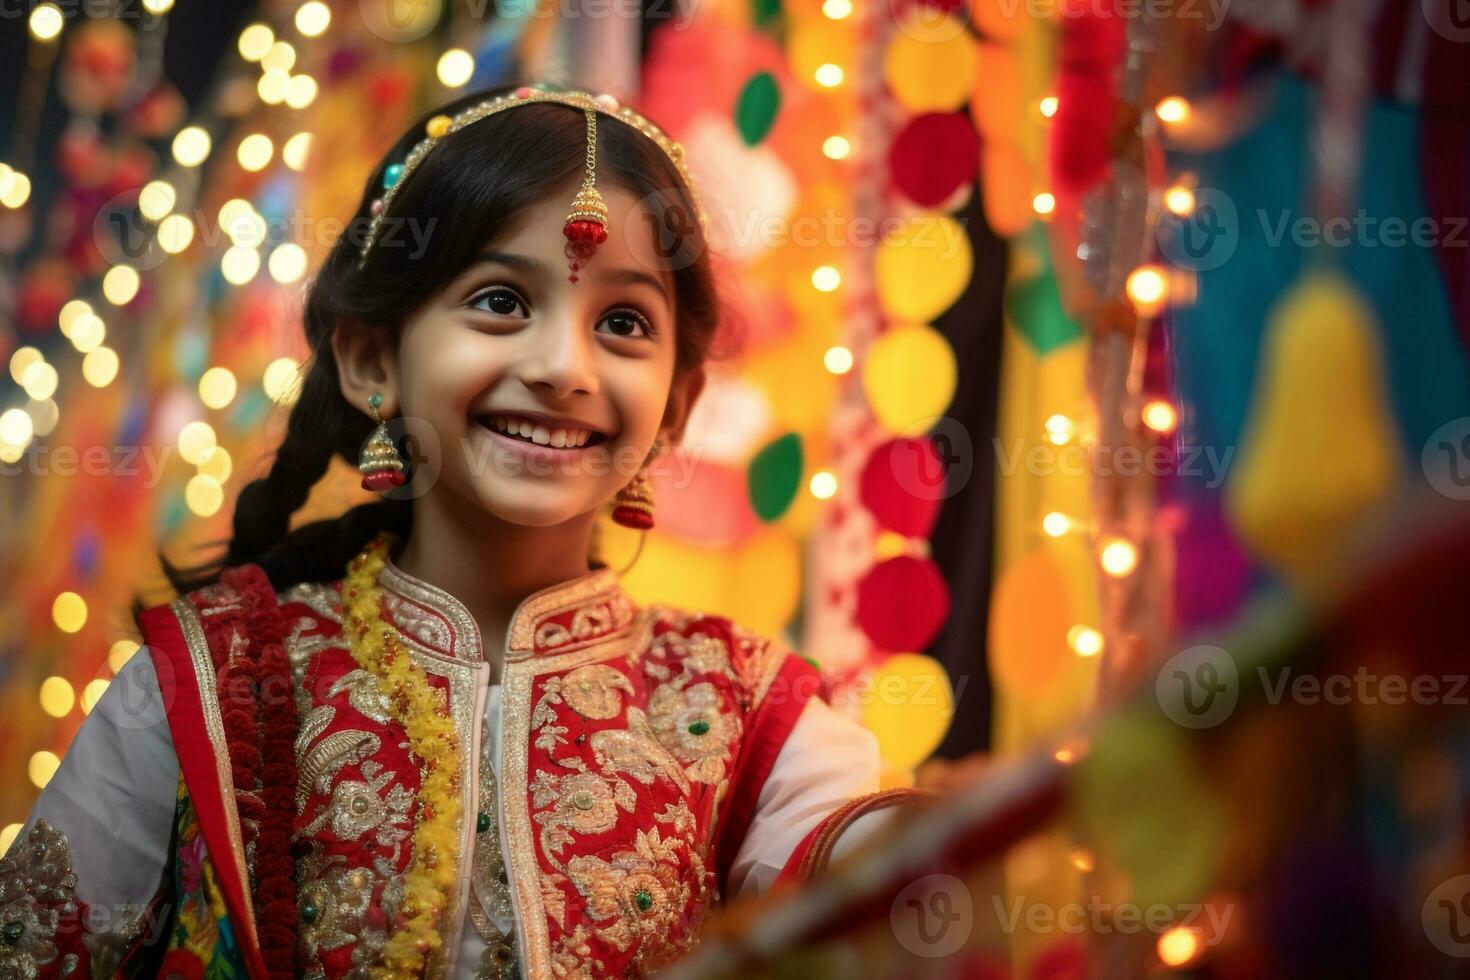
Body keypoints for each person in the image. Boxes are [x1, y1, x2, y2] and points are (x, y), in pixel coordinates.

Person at [1, 83, 924, 980]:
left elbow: (885, 899)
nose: (564, 365)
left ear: (677, 403)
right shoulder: (208, 681)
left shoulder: (744, 710)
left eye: (624, 321)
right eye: (500, 301)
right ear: (372, 359)